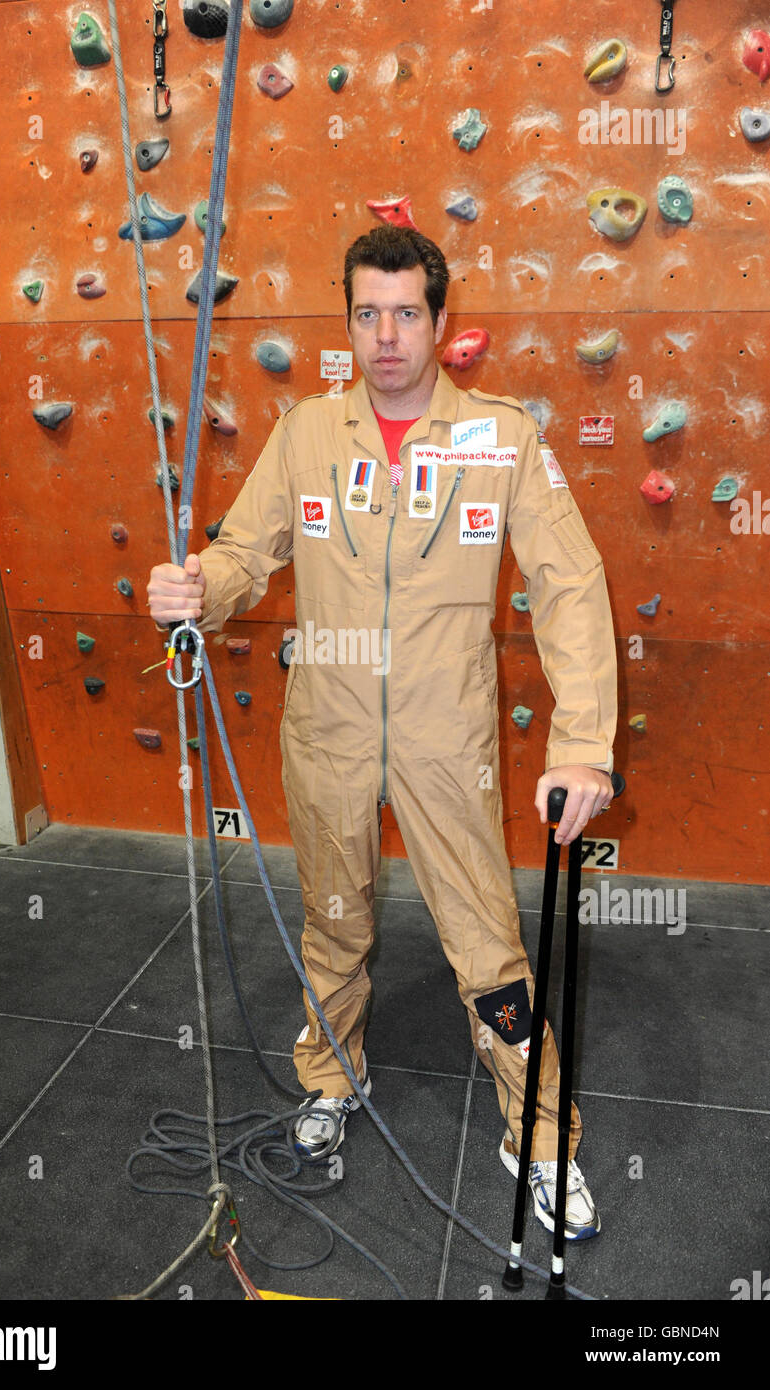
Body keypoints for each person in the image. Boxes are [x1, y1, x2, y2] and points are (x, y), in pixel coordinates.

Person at [147, 226, 617, 1240]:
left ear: (443, 325)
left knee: (488, 943)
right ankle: (331, 1077)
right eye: (367, 313)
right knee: (332, 921)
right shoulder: (308, 432)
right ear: (348, 322)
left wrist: (580, 739)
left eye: (407, 313)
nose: (387, 336)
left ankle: (535, 1135)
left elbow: (570, 583)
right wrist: (197, 589)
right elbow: (242, 552)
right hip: (328, 730)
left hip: (446, 738)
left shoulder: (499, 437)